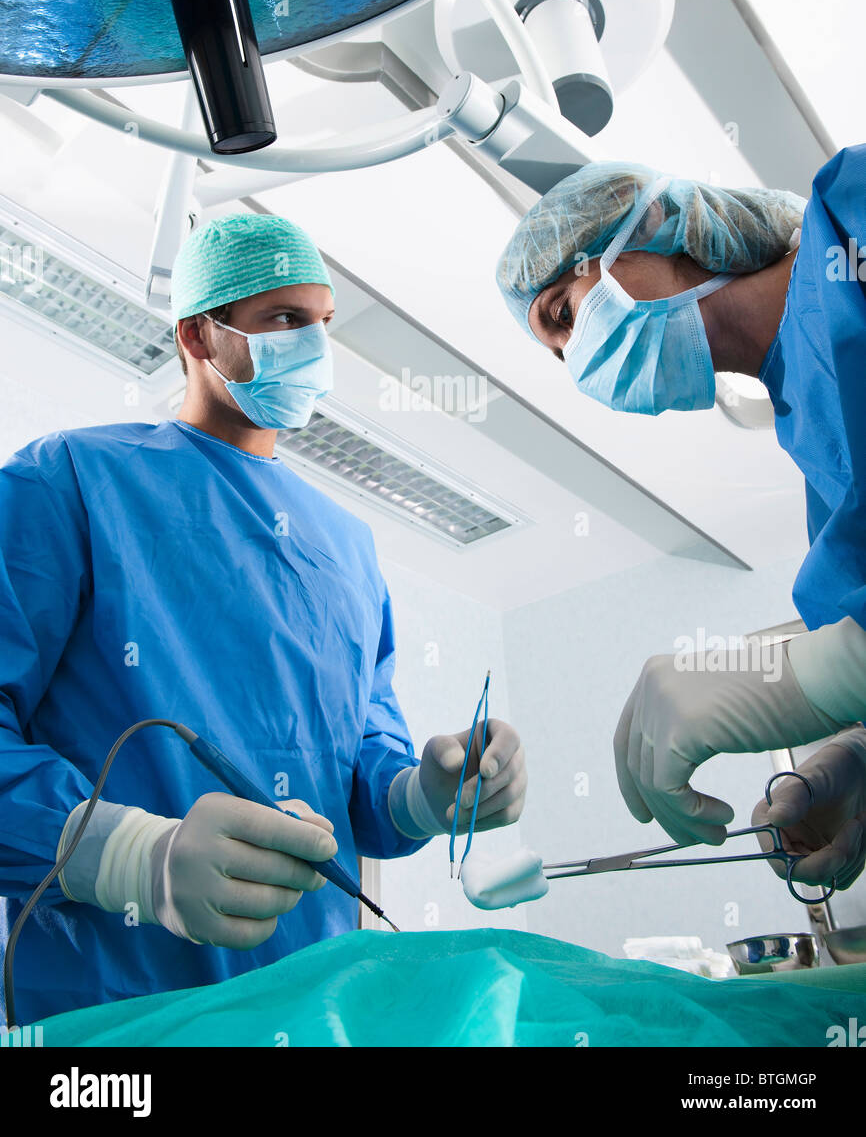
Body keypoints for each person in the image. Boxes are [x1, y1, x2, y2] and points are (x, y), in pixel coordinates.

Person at [0, 211, 527, 1025]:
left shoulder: (348, 550)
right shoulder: (67, 481)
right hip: (116, 1013)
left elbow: (363, 772)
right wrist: (138, 859)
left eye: (322, 322)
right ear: (199, 337)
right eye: (283, 320)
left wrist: (428, 792)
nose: (313, 344)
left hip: (310, 1006)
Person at [496, 155, 866, 886]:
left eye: (564, 315)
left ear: (652, 224)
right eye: (561, 355)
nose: (578, 360)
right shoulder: (817, 449)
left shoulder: (850, 222)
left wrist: (829, 675)